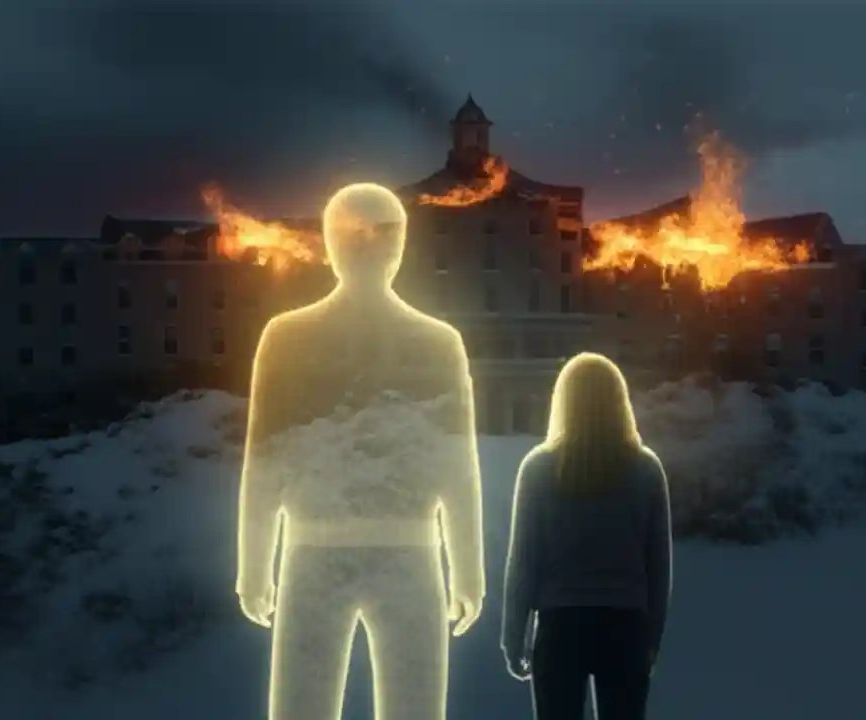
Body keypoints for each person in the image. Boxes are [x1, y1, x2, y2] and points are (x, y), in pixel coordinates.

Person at [236, 182, 484, 720]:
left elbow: (265, 459)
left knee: (302, 709)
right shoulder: (438, 342)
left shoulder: (286, 336)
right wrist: (468, 570)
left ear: (330, 246)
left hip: (314, 551)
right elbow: (456, 466)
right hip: (409, 554)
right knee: (413, 711)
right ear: (401, 250)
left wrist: (253, 567)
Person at [501, 352, 672, 720]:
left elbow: (523, 564)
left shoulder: (538, 469)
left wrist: (512, 635)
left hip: (560, 627)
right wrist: (652, 640)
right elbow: (658, 569)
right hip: (626, 627)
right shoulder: (646, 470)